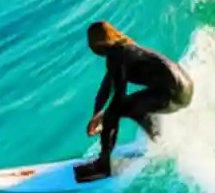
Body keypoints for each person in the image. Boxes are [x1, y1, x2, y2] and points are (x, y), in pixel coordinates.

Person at [74, 21, 194, 183]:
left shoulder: (118, 56)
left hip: (172, 92)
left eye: (91, 44)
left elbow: (119, 98)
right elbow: (107, 86)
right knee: (136, 106)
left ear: (99, 43)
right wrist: (96, 113)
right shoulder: (122, 50)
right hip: (184, 89)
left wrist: (103, 117)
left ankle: (103, 166)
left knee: (114, 111)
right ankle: (159, 142)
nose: (91, 49)